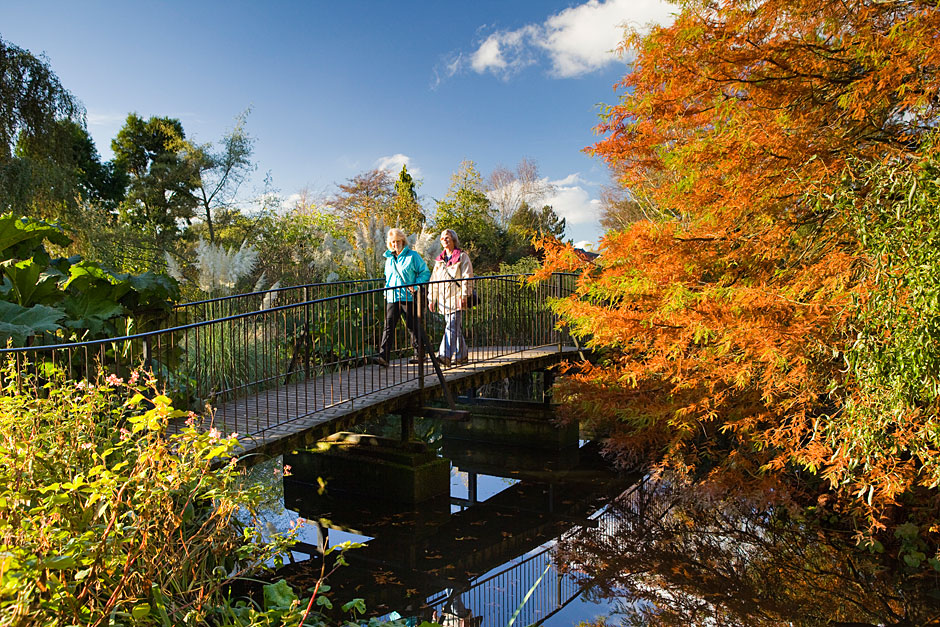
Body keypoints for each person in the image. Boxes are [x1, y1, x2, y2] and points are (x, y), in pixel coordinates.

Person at [371, 228, 431, 368]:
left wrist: (415, 286)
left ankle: (419, 354)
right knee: (389, 326)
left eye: (398, 241)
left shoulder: (413, 256)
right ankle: (383, 357)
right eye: (392, 242)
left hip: (408, 297)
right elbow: (388, 277)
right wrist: (386, 292)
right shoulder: (389, 259)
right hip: (392, 297)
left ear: (403, 241)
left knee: (412, 326)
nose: (395, 244)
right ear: (389, 243)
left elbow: (425, 272)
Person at [428, 229, 473, 367]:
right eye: (442, 238)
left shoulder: (462, 257)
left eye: (447, 238)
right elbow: (434, 281)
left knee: (452, 325)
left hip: (456, 297)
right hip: (444, 300)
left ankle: (444, 355)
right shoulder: (439, 261)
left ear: (454, 240)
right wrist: (432, 299)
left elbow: (467, 276)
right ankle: (462, 355)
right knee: (454, 327)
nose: (444, 240)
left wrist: (464, 295)